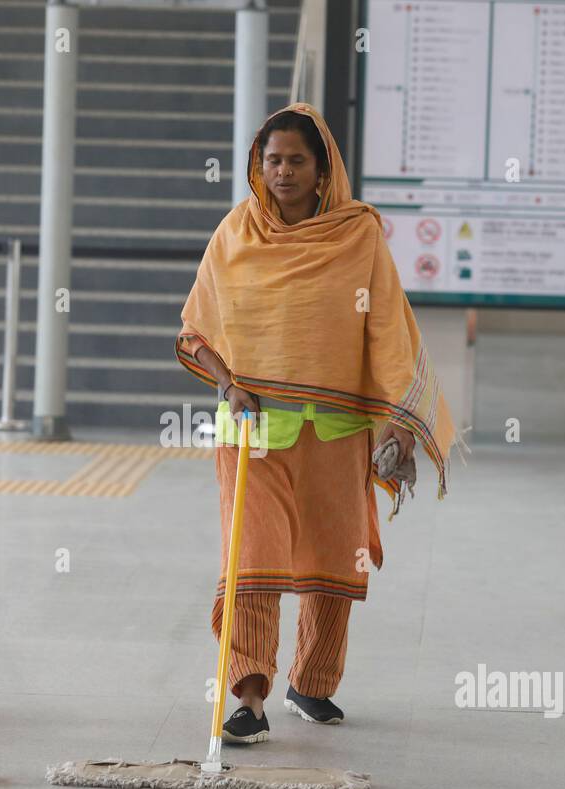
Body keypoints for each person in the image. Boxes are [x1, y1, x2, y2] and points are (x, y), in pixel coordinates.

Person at [176, 103, 460, 744]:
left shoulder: (359, 237)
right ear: (259, 163)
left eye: (296, 160)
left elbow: (388, 331)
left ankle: (313, 682)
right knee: (253, 562)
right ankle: (248, 695)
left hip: (335, 433)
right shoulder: (235, 234)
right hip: (253, 431)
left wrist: (400, 420)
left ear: (322, 166)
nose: (282, 172)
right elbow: (196, 330)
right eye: (272, 159)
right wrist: (228, 382)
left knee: (335, 562)